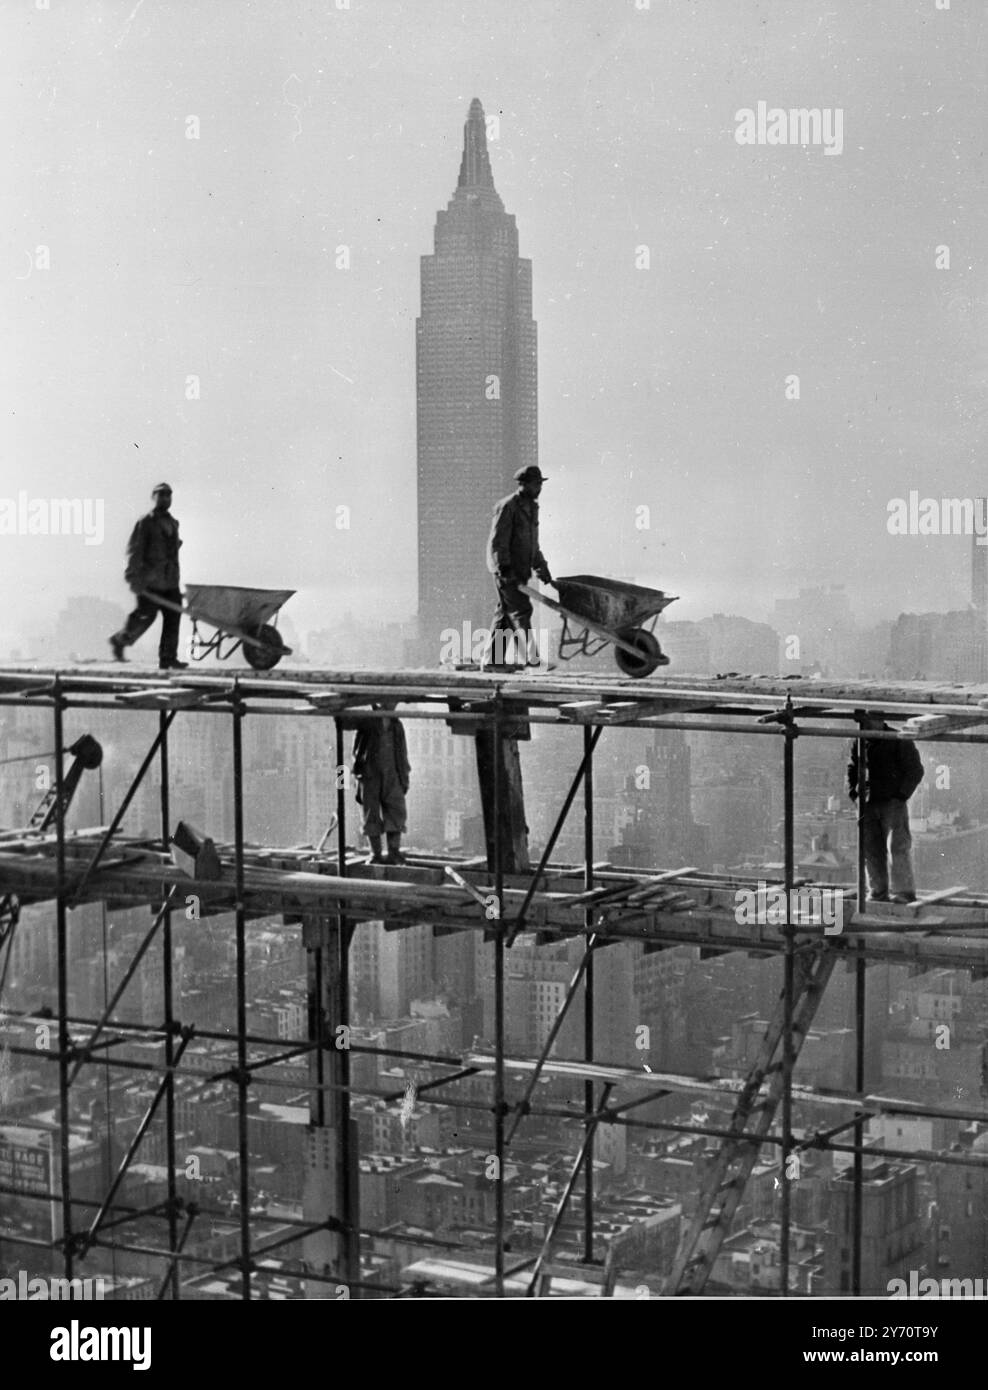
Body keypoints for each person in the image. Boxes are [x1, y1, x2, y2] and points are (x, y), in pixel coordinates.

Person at [846, 712, 924, 903]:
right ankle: (878, 892)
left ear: (880, 720)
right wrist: (854, 794)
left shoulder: (898, 739)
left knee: (897, 847)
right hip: (868, 803)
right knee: (871, 849)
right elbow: (852, 768)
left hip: (891, 802)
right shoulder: (860, 741)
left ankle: (903, 893)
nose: (866, 724)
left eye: (869, 720)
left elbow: (915, 770)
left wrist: (900, 796)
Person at [109, 483, 187, 669]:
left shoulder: (173, 523)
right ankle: (120, 640)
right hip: (150, 581)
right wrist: (133, 578)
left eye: (168, 495)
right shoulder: (146, 522)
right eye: (161, 495)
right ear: (153, 497)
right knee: (145, 616)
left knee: (173, 617)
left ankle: (168, 658)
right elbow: (135, 551)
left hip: (170, 581)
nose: (165, 498)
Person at [483, 464, 553, 668]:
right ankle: (532, 660)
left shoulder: (531, 507)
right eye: (536, 484)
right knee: (521, 611)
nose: (539, 488)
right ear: (524, 484)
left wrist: (542, 568)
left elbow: (532, 543)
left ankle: (492, 661)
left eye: (540, 483)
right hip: (506, 570)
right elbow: (498, 540)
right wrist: (503, 567)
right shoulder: (508, 506)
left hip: (520, 571)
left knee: (505, 613)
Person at [349, 700, 411, 864]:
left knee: (396, 810)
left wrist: (404, 776)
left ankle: (393, 853)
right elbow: (356, 749)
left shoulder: (396, 725)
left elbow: (402, 752)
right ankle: (375, 854)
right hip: (370, 773)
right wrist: (357, 773)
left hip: (392, 772)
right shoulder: (368, 722)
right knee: (370, 814)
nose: (393, 705)